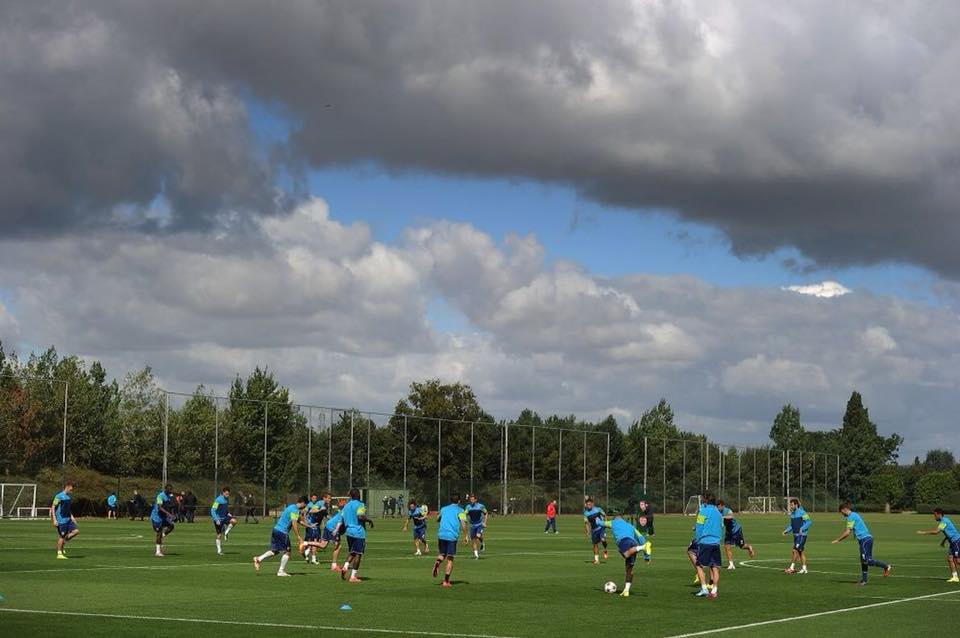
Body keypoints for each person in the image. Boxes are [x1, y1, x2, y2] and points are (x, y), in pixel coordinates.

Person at [832, 502, 891, 585]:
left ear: (844, 510)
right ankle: (864, 581)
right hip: (867, 539)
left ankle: (886, 566)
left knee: (866, 561)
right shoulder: (854, 514)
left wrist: (838, 540)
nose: (842, 515)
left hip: (864, 540)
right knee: (864, 561)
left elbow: (847, 532)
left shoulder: (851, 517)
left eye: (841, 513)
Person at [253, 495, 307, 577]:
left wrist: (307, 525)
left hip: (275, 530)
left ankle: (259, 559)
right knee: (287, 552)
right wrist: (298, 536)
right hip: (282, 532)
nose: (305, 507)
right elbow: (294, 523)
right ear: (303, 503)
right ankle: (281, 571)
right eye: (305, 505)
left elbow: (297, 520)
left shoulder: (291, 507)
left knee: (275, 551)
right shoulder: (295, 510)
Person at [603, 509, 651, 598]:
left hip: (625, 542)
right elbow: (641, 538)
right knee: (629, 569)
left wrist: (597, 521)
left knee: (625, 554)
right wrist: (646, 556)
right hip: (633, 543)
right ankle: (626, 590)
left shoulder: (613, 522)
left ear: (615, 517)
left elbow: (601, 523)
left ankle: (641, 548)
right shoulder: (630, 526)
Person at [916, 507, 960, 583]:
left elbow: (936, 532)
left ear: (939, 514)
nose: (934, 517)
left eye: (935, 515)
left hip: (957, 541)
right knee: (950, 559)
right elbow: (949, 532)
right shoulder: (944, 521)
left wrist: (924, 532)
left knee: (958, 561)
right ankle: (955, 577)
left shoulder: (944, 521)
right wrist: (943, 541)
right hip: (953, 542)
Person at [432, 494, 467, 588]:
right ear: (459, 501)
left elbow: (437, 519)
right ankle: (446, 581)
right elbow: (463, 523)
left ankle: (438, 562)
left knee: (442, 554)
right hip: (452, 536)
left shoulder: (444, 509)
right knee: (450, 558)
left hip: (441, 534)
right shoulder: (460, 510)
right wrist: (465, 535)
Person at [340, 488, 373, 582]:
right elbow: (360, 516)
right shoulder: (360, 504)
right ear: (358, 495)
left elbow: (342, 518)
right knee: (358, 554)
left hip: (349, 532)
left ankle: (345, 567)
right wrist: (369, 520)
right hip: (358, 532)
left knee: (352, 552)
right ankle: (353, 577)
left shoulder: (346, 506)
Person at [694, 491, 722, 599]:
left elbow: (699, 527)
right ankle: (714, 590)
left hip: (705, 542)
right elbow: (721, 526)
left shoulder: (703, 511)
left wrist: (697, 539)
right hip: (716, 542)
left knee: (699, 565)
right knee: (715, 566)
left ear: (705, 499)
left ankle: (704, 588)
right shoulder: (718, 513)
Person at [717, 499, 755, 569]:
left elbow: (731, 516)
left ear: (723, 506)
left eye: (719, 507)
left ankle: (749, 547)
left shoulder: (728, 510)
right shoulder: (717, 512)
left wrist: (723, 517)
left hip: (736, 530)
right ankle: (731, 564)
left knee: (742, 546)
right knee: (727, 546)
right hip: (728, 532)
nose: (718, 508)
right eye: (717, 507)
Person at [783, 498, 811, 574]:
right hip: (795, 536)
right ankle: (804, 569)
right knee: (800, 552)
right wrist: (786, 530)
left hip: (802, 536)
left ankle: (791, 568)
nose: (791, 507)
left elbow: (809, 522)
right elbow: (792, 525)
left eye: (792, 505)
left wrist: (802, 529)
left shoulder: (802, 512)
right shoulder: (792, 514)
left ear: (796, 505)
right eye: (790, 505)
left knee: (795, 550)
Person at [51, 482, 79, 559]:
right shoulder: (59, 496)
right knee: (61, 536)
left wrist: (72, 517)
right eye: (71, 489)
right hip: (61, 520)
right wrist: (54, 520)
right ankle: (59, 553)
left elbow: (68, 509)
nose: (72, 491)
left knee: (76, 531)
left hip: (68, 519)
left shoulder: (68, 497)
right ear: (67, 487)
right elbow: (53, 507)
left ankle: (63, 542)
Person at [151, 484, 176, 557]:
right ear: (166, 489)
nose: (171, 491)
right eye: (169, 489)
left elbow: (167, 506)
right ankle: (158, 552)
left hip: (163, 517)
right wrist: (169, 514)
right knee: (159, 532)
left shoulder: (168, 497)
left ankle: (161, 536)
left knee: (171, 526)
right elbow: (159, 507)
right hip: (156, 517)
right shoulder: (160, 496)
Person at [210, 486, 236, 556]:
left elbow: (225, 509)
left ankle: (226, 532)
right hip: (218, 519)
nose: (228, 495)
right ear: (223, 493)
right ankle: (219, 550)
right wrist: (216, 519)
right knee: (219, 535)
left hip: (225, 517)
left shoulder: (226, 499)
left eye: (228, 494)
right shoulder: (218, 500)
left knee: (234, 521)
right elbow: (213, 510)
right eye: (227, 494)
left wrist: (228, 513)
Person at [583, 497, 608, 564]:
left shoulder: (598, 509)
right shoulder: (586, 513)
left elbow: (605, 516)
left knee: (603, 539)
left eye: (590, 504)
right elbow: (586, 523)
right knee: (595, 544)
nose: (589, 506)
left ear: (592, 504)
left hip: (601, 527)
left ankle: (605, 549)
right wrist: (588, 531)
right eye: (587, 504)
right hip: (594, 530)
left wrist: (605, 524)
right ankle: (596, 560)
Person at [321, 503, 345, 572]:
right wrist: (336, 530)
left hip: (328, 525)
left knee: (323, 545)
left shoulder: (342, 511)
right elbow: (340, 522)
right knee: (338, 546)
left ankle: (305, 543)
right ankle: (334, 566)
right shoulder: (344, 512)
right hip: (332, 528)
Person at [303, 493, 324, 564]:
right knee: (315, 541)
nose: (314, 499)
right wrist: (306, 522)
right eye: (313, 498)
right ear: (311, 498)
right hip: (312, 525)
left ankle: (308, 551)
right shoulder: (309, 505)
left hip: (315, 525)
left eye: (315, 498)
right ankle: (312, 557)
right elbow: (305, 512)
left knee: (313, 540)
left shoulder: (318, 504)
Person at [465, 494, 488, 559]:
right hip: (472, 525)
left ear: (475, 500)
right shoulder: (468, 507)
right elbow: (465, 513)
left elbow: (486, 513)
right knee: (473, 540)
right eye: (470, 500)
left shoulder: (480, 506)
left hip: (479, 524)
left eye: (473, 499)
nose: (471, 501)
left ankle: (482, 542)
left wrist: (485, 522)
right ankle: (476, 555)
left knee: (478, 536)